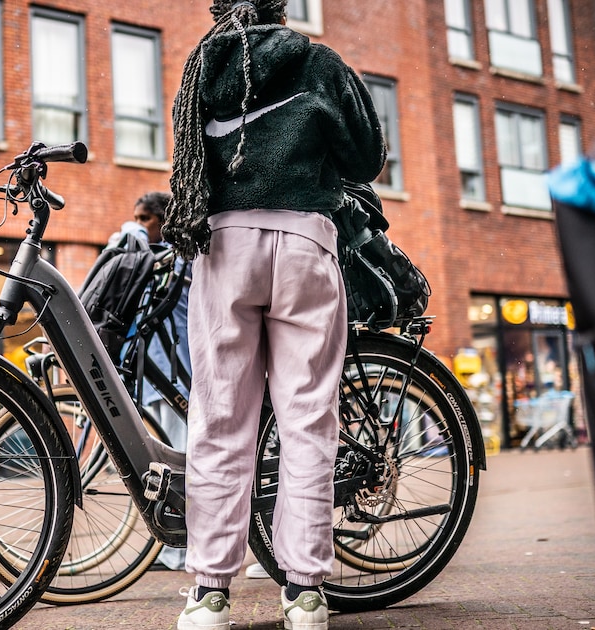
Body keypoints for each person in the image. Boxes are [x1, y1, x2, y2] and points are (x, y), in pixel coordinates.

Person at [162, 1, 385, 629]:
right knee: (308, 420)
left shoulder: (205, 65)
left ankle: (209, 594)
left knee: (220, 421)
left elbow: (186, 161)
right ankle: (305, 592)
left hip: (225, 245)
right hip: (307, 243)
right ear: (281, 7)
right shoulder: (320, 62)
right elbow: (367, 159)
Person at [132, 191, 192, 571]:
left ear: (163, 220)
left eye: (145, 220)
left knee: (180, 460)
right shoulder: (155, 260)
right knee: (165, 459)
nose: (140, 227)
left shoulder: (179, 258)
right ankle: (174, 548)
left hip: (178, 373)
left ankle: (181, 549)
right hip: (155, 374)